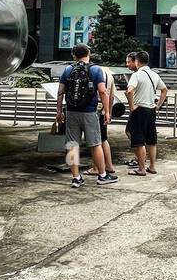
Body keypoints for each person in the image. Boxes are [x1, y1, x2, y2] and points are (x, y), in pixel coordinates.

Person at [55, 43, 117, 188]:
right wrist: (107, 111)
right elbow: (102, 91)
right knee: (95, 144)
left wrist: (59, 112)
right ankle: (102, 175)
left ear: (74, 55)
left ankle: (76, 178)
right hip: (89, 112)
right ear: (88, 53)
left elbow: (60, 92)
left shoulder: (68, 70)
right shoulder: (96, 70)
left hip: (71, 112)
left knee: (72, 145)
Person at [124, 50, 168, 175]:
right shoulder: (154, 75)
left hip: (140, 110)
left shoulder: (136, 75)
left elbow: (129, 91)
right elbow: (164, 90)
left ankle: (142, 168)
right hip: (151, 110)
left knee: (138, 140)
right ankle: (152, 167)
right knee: (151, 140)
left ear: (137, 61)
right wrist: (158, 105)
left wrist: (132, 106)